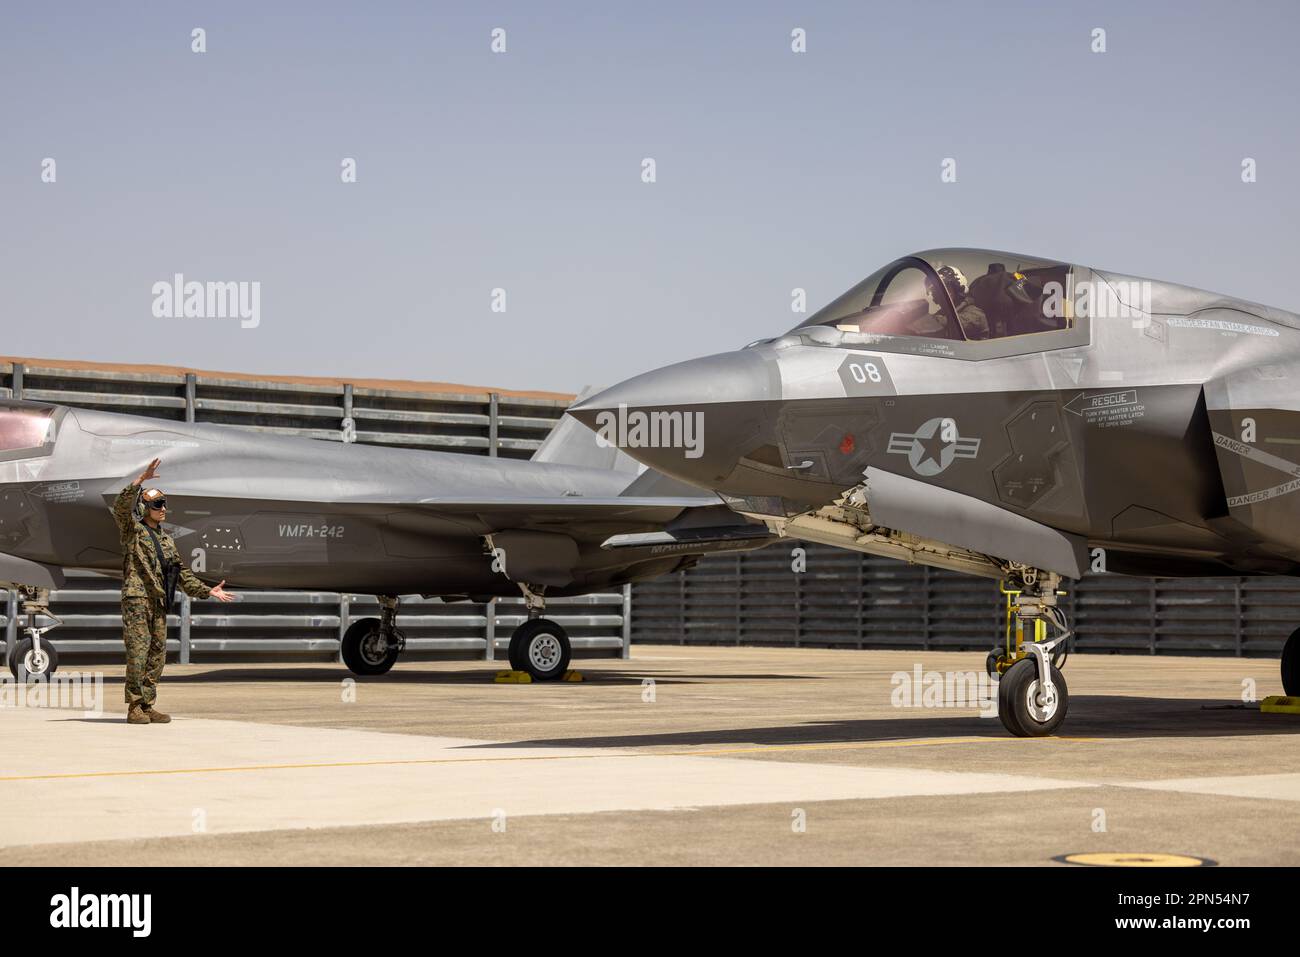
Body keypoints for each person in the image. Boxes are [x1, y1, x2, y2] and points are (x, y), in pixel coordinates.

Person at [113, 457, 235, 724]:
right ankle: (134, 706)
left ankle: (147, 704)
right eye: (158, 505)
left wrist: (208, 591)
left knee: (157, 653)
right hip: (137, 599)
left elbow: (182, 574)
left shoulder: (166, 540)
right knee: (138, 652)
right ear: (145, 508)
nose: (163, 508)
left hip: (157, 603)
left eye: (164, 504)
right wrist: (140, 481)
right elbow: (121, 508)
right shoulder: (133, 531)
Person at [922, 265, 991, 340]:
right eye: (936, 291)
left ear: (957, 288)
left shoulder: (975, 313)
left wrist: (925, 322)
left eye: (945, 288)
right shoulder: (944, 312)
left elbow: (953, 323)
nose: (940, 294)